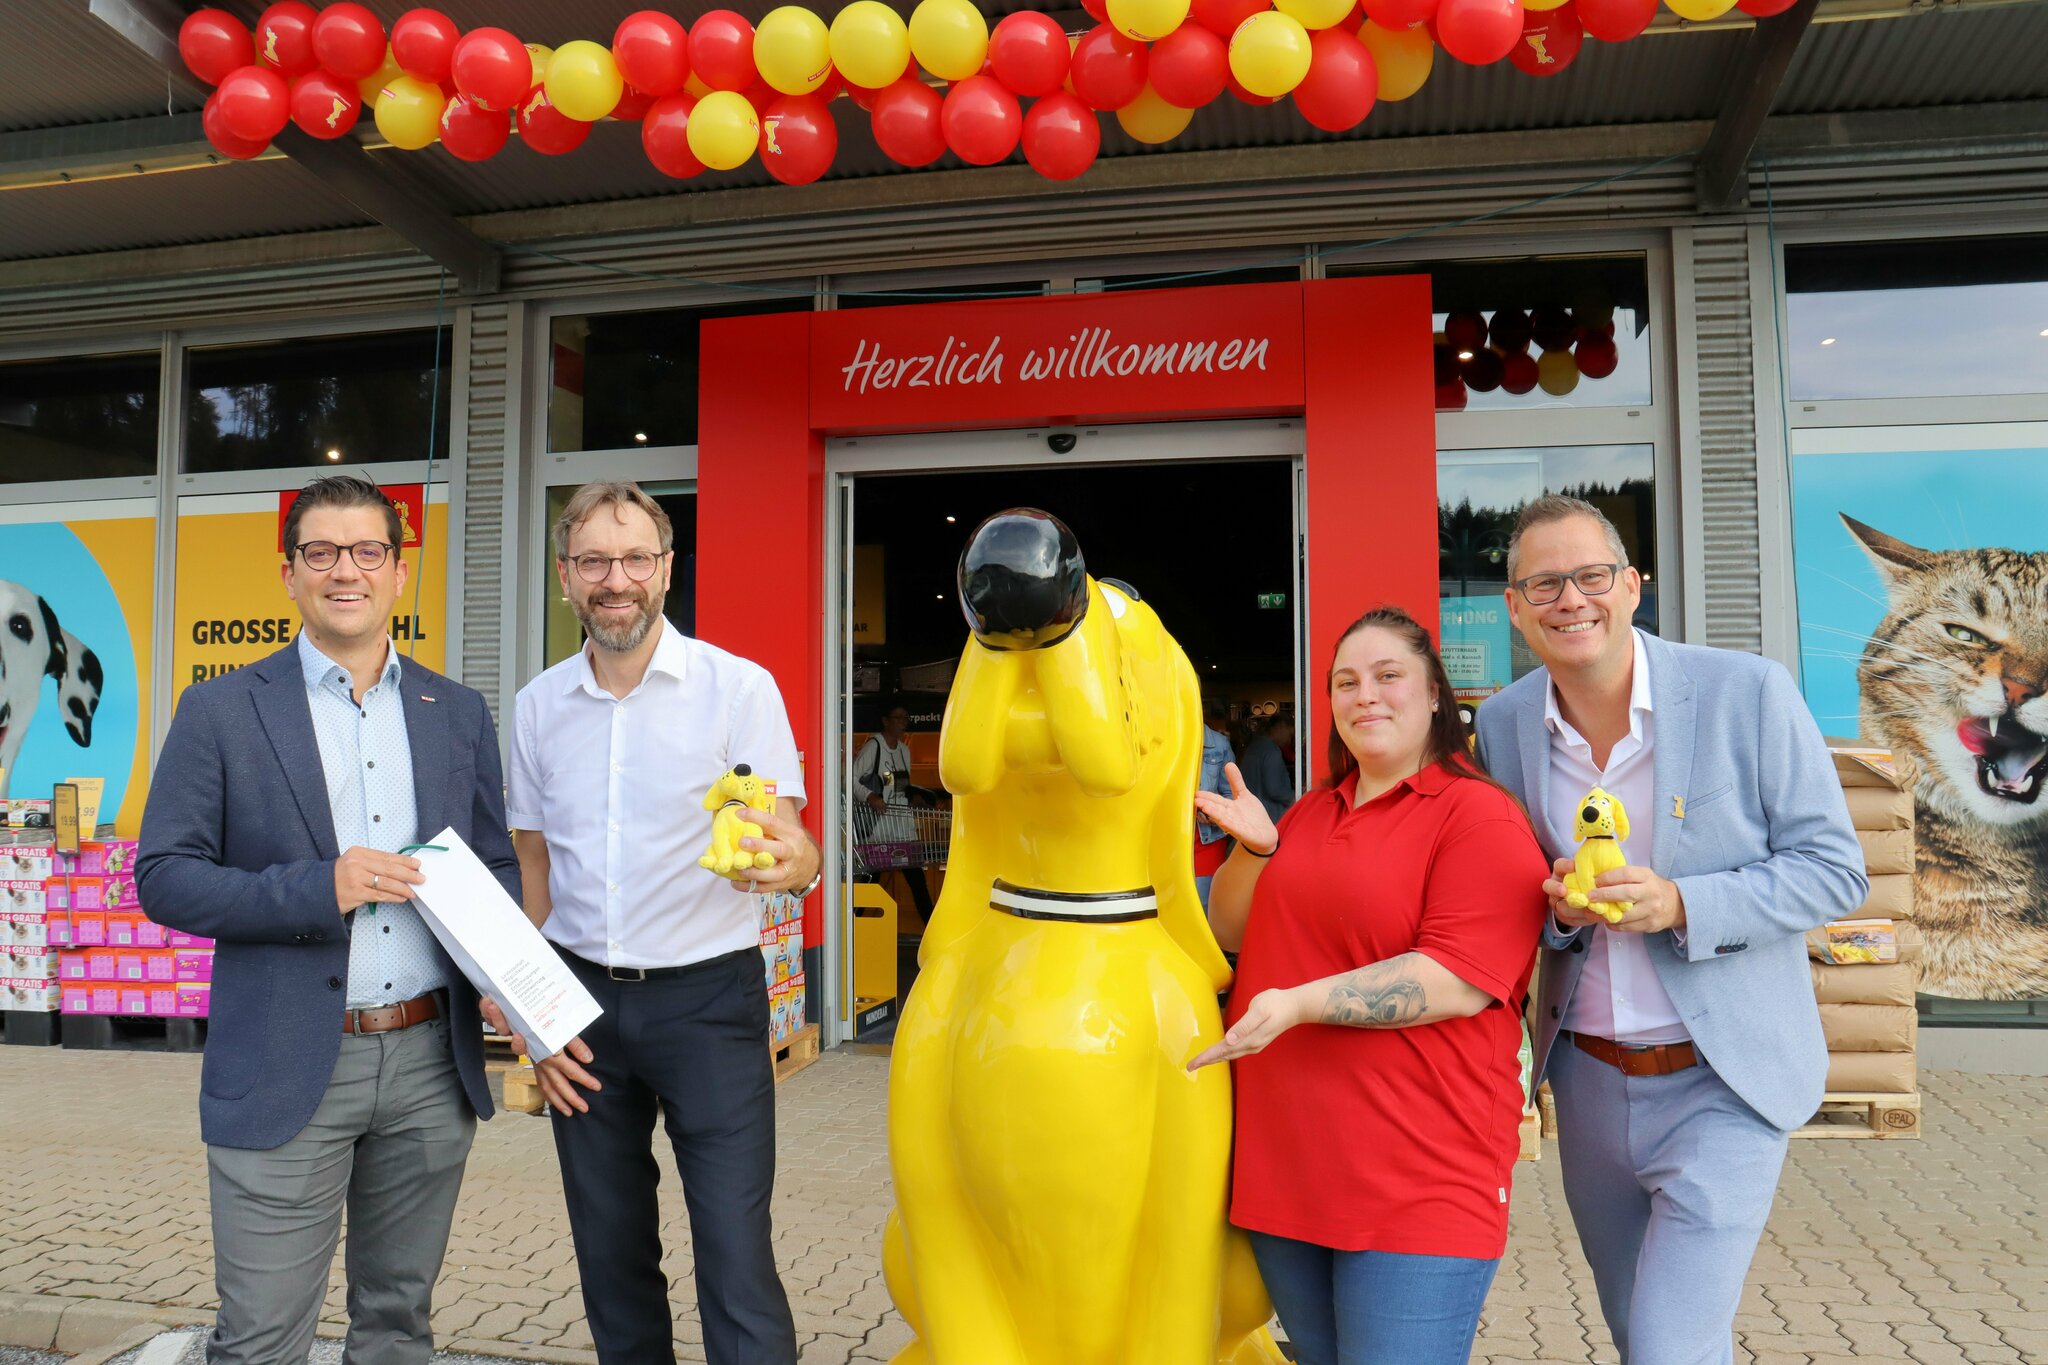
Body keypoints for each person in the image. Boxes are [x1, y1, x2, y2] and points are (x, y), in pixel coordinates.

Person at [1472, 495, 1867, 1365]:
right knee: (1636, 1328)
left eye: (1591, 576)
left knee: (1667, 1344)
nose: (1569, 599)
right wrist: (1559, 912)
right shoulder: (1501, 727)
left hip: (1723, 1081)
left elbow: (1835, 868)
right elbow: (1516, 896)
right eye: (1543, 583)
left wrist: (1683, 903)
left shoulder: (1745, 690)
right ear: (1513, 604)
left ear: (1633, 586)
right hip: (1589, 1083)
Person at [136, 475, 517, 1365]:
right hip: (285, 1061)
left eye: (367, 551)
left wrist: (504, 975)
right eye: (322, 552)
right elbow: (166, 879)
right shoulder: (222, 710)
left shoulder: (454, 712)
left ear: (398, 570)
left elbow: (493, 864)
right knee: (263, 1338)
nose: (346, 570)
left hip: (429, 1063)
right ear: (289, 571)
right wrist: (321, 887)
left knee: (397, 1329)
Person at [492, 481, 818, 1365]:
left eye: (636, 557)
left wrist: (802, 865)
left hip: (710, 1003)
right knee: (611, 1255)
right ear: (566, 576)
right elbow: (535, 872)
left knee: (735, 1254)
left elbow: (793, 846)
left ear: (667, 570)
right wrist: (532, 1014)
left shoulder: (738, 688)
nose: (616, 579)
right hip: (582, 1006)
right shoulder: (536, 707)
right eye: (594, 560)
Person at [1189, 606, 1549, 1365]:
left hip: (1416, 1179)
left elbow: (1455, 978)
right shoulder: (1316, 809)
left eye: (1390, 676)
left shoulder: (1477, 815)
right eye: (1346, 682)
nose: (1366, 696)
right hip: (1286, 1174)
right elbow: (1231, 930)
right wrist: (1256, 849)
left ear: (1434, 696)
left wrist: (1299, 1003)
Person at [1194, 696, 1237, 911]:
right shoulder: (1158, 741)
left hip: (1205, 840)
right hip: (1166, 842)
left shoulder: (1218, 745)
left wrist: (1213, 812)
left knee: (1203, 909)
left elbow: (1232, 796)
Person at [1237, 714, 1296, 823]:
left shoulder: (1253, 747)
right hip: (1269, 817)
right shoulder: (1272, 751)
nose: (1289, 741)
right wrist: (1297, 797)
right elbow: (1275, 790)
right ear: (1281, 727)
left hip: (1250, 815)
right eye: (1290, 735)